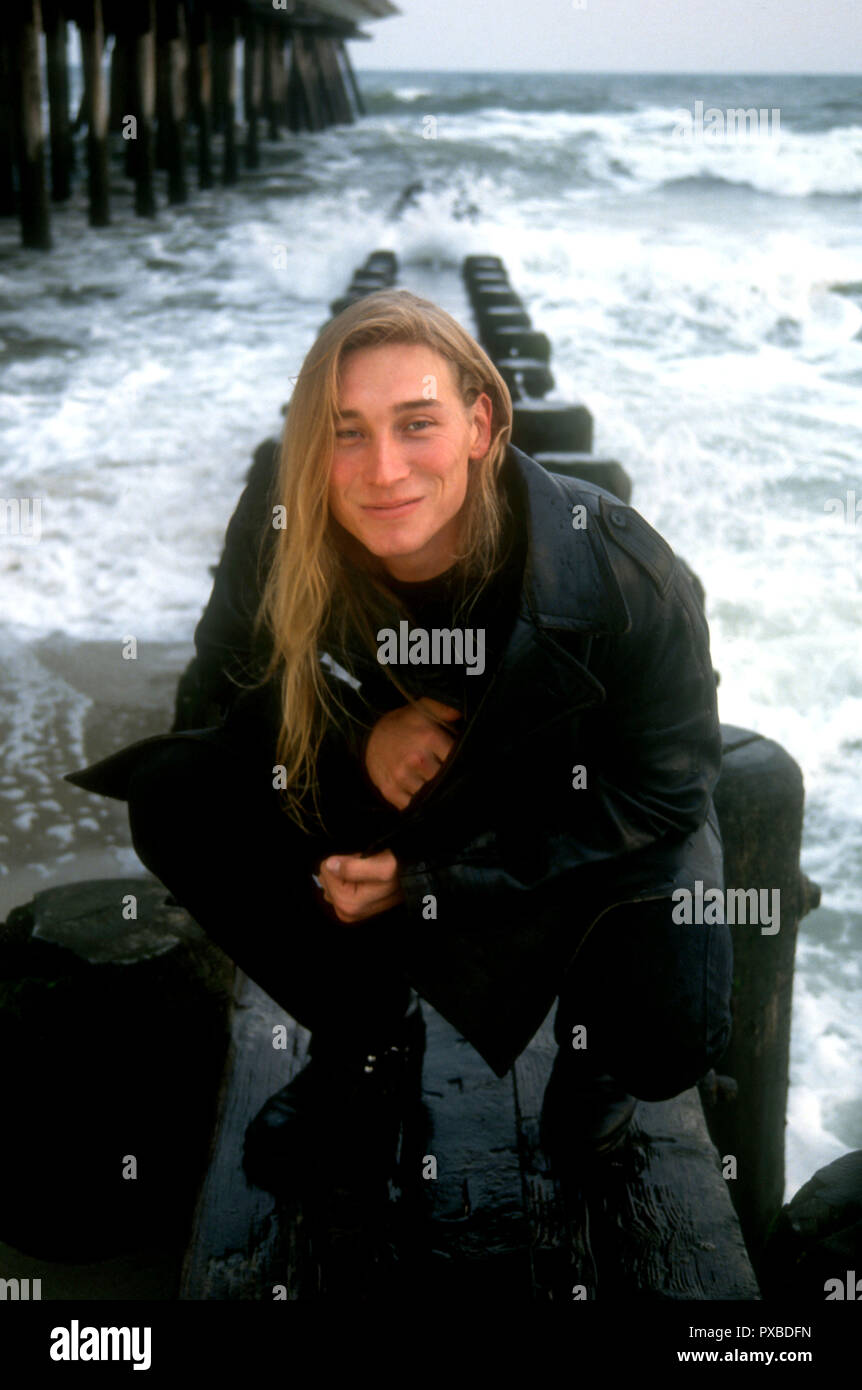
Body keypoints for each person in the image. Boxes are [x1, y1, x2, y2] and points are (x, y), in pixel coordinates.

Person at [65, 288, 732, 1191]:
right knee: (179, 793)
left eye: (416, 423)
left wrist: (435, 887)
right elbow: (218, 688)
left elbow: (664, 794)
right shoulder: (283, 516)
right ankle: (370, 1037)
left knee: (670, 1028)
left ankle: (596, 1063)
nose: (382, 469)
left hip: (561, 820)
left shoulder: (619, 568)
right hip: (400, 797)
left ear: (480, 422)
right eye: (346, 432)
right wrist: (358, 741)